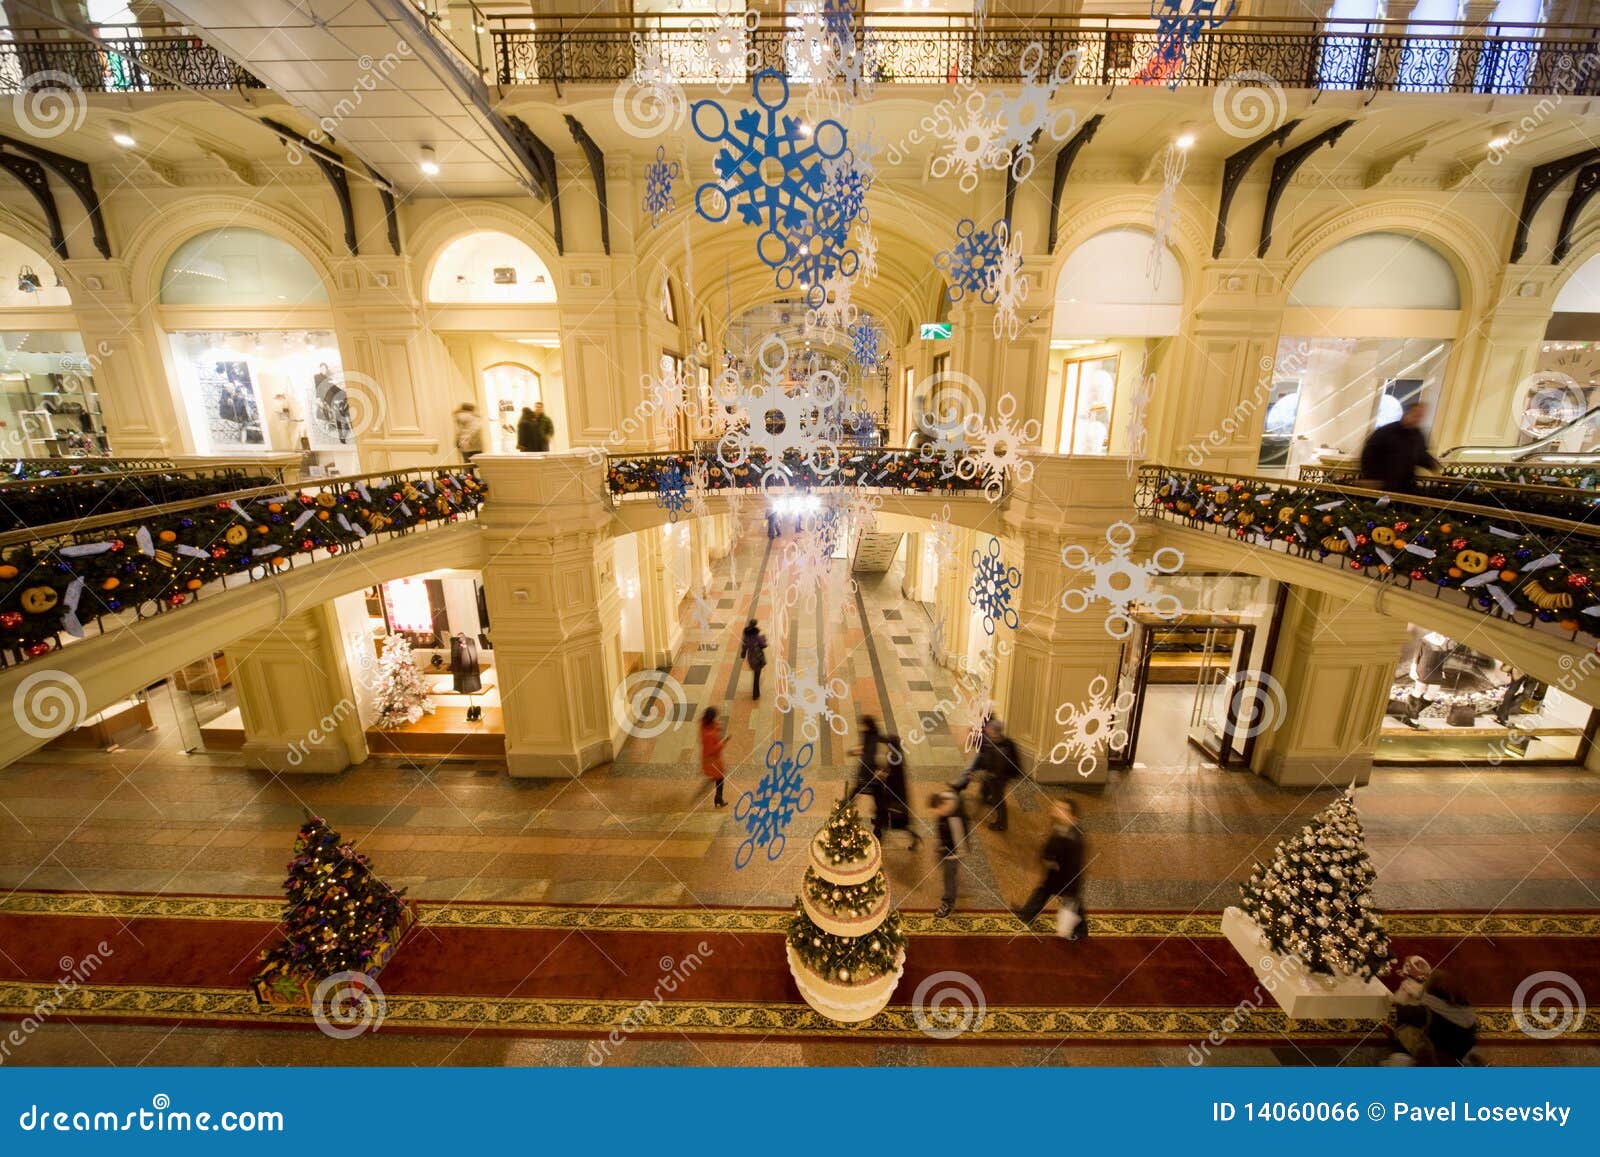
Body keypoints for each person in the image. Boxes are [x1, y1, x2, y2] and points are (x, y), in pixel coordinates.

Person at [1014, 798, 1087, 936]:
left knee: (1073, 903)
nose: (1056, 811)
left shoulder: (1075, 839)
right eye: (1056, 808)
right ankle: (1027, 914)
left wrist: (1071, 889)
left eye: (1061, 810)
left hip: (1067, 878)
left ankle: (1081, 931)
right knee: (1042, 892)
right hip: (1055, 872)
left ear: (1072, 817)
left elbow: (1074, 866)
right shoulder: (1060, 826)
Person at [1391, 969, 1479, 1066]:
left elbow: (1402, 1011)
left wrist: (1405, 994)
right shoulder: (1467, 1012)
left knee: (1404, 1029)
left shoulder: (1424, 1012)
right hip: (1456, 1058)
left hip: (1431, 1060)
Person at [953, 717, 1022, 831]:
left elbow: (997, 771)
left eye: (989, 729)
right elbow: (984, 755)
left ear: (995, 732)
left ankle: (1001, 824)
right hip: (993, 773)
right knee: (985, 792)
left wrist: (978, 776)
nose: (986, 730)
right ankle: (981, 807)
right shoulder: (994, 740)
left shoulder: (1002, 750)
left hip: (1001, 776)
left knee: (998, 798)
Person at [1357, 402, 1437, 493]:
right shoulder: (1385, 431)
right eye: (1416, 415)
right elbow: (1368, 454)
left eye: (1420, 416)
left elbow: (1421, 455)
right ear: (1407, 413)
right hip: (1381, 484)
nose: (1418, 419)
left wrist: (1433, 465)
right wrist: (1369, 477)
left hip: (1404, 486)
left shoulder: (1418, 435)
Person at [929, 790, 966, 919]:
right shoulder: (946, 800)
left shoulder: (955, 819)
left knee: (948, 877)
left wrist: (949, 855)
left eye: (939, 810)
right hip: (946, 849)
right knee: (948, 872)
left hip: (952, 854)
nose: (938, 814)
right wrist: (938, 842)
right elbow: (941, 826)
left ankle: (948, 903)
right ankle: (954, 884)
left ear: (944, 805)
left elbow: (960, 845)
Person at [880, 735, 921, 850]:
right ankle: (914, 838)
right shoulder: (897, 756)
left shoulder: (893, 758)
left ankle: (879, 839)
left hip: (894, 794)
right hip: (898, 794)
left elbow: (892, 776)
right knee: (900, 822)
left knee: (891, 820)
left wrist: (883, 776)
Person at [847, 715, 884, 798]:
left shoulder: (870, 735)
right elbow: (863, 749)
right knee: (875, 790)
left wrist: (852, 752)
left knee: (859, 788)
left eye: (862, 724)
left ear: (867, 725)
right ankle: (846, 806)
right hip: (869, 766)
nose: (860, 726)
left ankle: (845, 806)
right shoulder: (871, 734)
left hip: (868, 766)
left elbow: (863, 749)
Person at [699, 706, 728, 808]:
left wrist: (718, 726)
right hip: (712, 760)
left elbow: (713, 726)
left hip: (711, 759)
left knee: (719, 777)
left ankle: (718, 798)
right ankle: (718, 798)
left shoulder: (704, 724)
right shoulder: (709, 735)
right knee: (720, 777)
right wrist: (723, 743)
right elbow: (712, 749)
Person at [738, 619, 767, 700]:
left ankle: (756, 693)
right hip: (758, 658)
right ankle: (756, 694)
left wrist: (743, 655)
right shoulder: (757, 637)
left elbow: (744, 647)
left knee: (756, 675)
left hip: (751, 658)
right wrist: (763, 638)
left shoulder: (746, 636)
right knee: (756, 676)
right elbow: (764, 645)